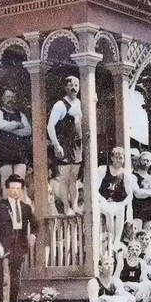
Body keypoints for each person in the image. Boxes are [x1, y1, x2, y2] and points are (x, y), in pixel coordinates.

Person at [0, 174, 38, 302]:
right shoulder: (0, 207)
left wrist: (32, 238)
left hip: (20, 247)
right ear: (7, 189)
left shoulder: (26, 207)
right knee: (5, 280)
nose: (15, 191)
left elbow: (35, 226)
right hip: (4, 248)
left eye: (18, 188)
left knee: (16, 281)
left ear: (21, 189)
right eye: (12, 188)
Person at [47, 75, 83, 213]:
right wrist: (56, 145)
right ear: (65, 87)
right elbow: (50, 126)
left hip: (77, 146)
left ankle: (74, 206)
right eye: (71, 85)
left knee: (74, 179)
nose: (74, 88)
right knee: (65, 179)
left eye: (76, 85)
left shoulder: (80, 102)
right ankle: (66, 207)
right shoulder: (60, 105)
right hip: (65, 145)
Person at [0, 88, 33, 197]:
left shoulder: (21, 114)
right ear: (2, 98)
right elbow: (1, 125)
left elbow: (28, 131)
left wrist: (11, 128)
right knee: (7, 182)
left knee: (20, 182)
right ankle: (8, 210)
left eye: (12, 97)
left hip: (19, 153)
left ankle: (19, 210)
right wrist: (18, 124)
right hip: (4, 152)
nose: (10, 99)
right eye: (8, 97)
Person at [95, 146, 135, 253]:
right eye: (116, 157)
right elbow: (95, 189)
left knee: (119, 210)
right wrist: (102, 200)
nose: (118, 160)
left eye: (121, 158)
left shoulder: (125, 173)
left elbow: (129, 194)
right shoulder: (103, 169)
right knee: (108, 212)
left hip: (116, 202)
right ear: (112, 158)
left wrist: (122, 203)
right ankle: (111, 239)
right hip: (103, 201)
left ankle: (116, 241)